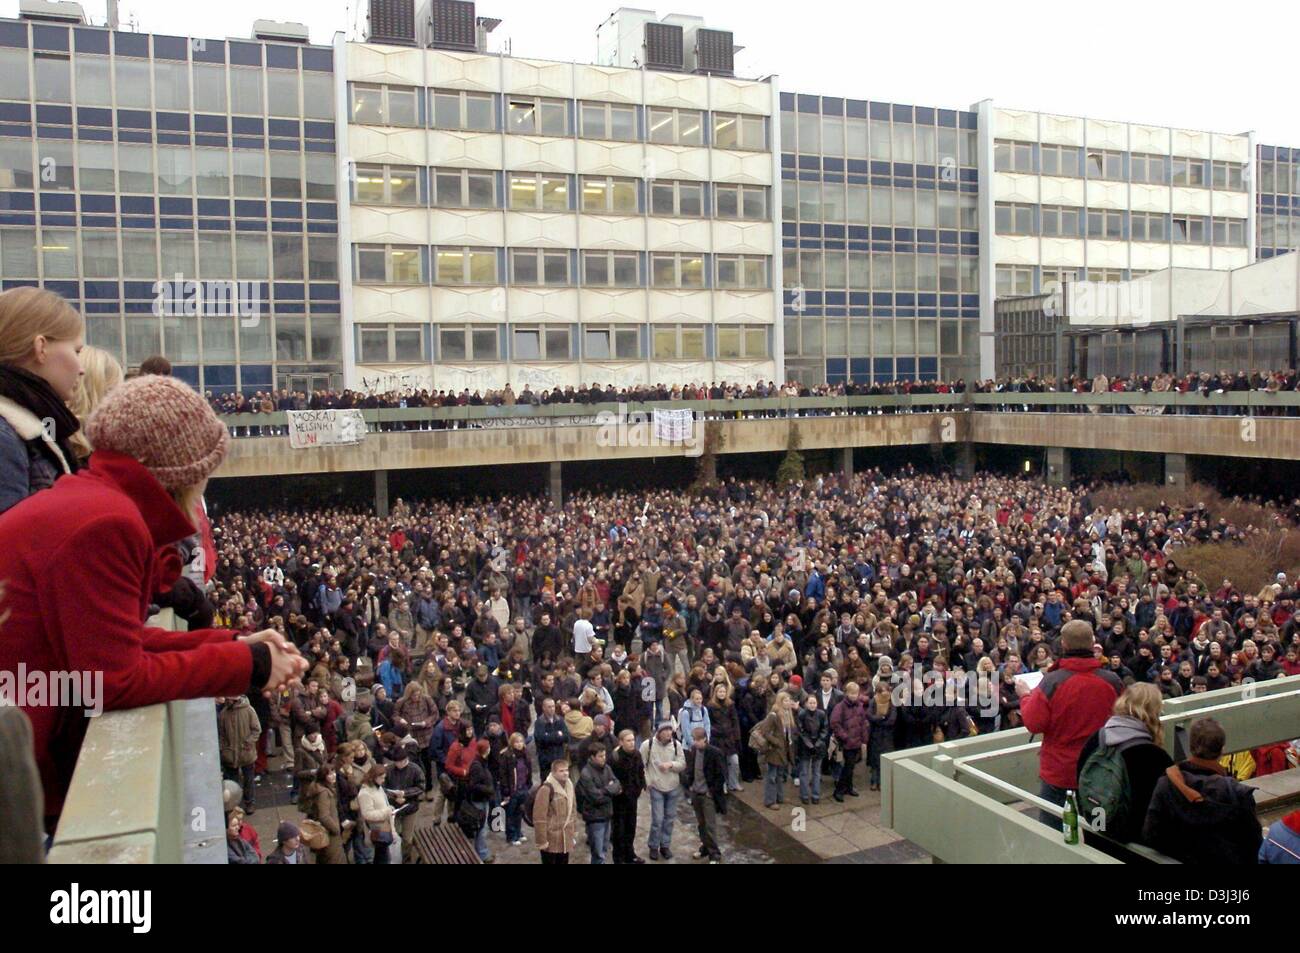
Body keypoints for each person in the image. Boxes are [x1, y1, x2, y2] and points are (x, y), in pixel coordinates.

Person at [0, 373, 307, 827]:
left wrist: (238, 646)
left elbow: (124, 643)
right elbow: (115, 679)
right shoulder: (108, 522)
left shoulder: (94, 502)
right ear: (175, 470)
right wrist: (251, 665)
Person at [1018, 619, 1123, 826]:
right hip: (1100, 770)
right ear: (1092, 644)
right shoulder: (1112, 681)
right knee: (1098, 833)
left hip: (1060, 773)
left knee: (1055, 835)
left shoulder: (1052, 682)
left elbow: (1033, 723)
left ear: (1064, 645)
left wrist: (1024, 697)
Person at [0, 287, 84, 515]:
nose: (81, 368)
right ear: (41, 348)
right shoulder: (6, 436)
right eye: (76, 351)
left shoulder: (28, 424)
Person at [1142, 717, 1263, 864]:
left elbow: (1152, 835)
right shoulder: (1238, 794)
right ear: (1221, 750)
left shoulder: (1166, 784)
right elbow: (1253, 846)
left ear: (1191, 746)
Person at [1075, 682, 1173, 845]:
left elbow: (1082, 781)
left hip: (1096, 835)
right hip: (1132, 846)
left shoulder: (1097, 739)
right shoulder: (1153, 756)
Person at [641, 720, 686, 860]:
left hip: (673, 786)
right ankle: (653, 846)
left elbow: (682, 764)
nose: (668, 733)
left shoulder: (676, 745)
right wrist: (648, 782)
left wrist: (671, 764)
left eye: (670, 730)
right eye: (665, 730)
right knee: (658, 819)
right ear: (659, 732)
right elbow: (641, 766)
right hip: (656, 787)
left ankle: (665, 845)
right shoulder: (647, 745)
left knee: (670, 819)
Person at [682, 725, 727, 863]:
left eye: (697, 740)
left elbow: (721, 775)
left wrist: (711, 792)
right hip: (696, 792)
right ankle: (705, 847)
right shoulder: (694, 751)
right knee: (701, 824)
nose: (695, 743)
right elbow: (692, 770)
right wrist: (689, 787)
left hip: (707, 795)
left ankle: (715, 854)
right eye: (694, 740)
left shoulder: (714, 753)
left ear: (705, 739)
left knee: (710, 825)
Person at [576, 744, 621, 864]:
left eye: (604, 755)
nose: (604, 758)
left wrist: (604, 791)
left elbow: (617, 784)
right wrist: (610, 790)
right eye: (600, 756)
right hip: (594, 817)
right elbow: (595, 797)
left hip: (607, 814)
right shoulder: (586, 773)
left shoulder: (607, 768)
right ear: (592, 757)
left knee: (604, 849)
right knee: (598, 853)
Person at [217, 695, 261, 814]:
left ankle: (250, 802)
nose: (226, 700)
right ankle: (235, 804)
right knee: (233, 782)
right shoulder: (223, 714)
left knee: (249, 780)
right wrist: (223, 748)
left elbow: (256, 730)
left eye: (229, 699)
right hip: (230, 754)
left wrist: (248, 742)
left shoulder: (249, 710)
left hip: (246, 753)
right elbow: (221, 734)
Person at [609, 729, 647, 864]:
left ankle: (630, 855)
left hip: (632, 798)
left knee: (631, 828)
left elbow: (640, 771)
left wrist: (641, 785)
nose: (632, 743)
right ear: (621, 742)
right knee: (619, 830)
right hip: (619, 800)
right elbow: (610, 778)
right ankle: (618, 858)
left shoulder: (637, 754)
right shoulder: (615, 758)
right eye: (628, 741)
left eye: (633, 740)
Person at [755, 690, 795, 808]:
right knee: (771, 776)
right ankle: (770, 801)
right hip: (774, 750)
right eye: (785, 701)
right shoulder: (774, 715)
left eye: (789, 700)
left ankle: (779, 797)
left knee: (780, 775)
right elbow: (764, 731)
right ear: (780, 702)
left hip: (783, 750)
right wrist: (776, 741)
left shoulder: (788, 714)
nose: (788, 703)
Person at [829, 681, 869, 802]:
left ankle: (849, 787)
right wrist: (845, 737)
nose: (853, 695)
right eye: (851, 693)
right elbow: (835, 723)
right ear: (847, 693)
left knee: (851, 766)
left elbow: (863, 724)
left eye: (855, 693)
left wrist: (864, 740)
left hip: (856, 741)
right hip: (846, 742)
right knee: (848, 767)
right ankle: (839, 791)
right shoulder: (840, 707)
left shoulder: (859, 706)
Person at [534, 759, 577, 864]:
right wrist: (542, 841)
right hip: (551, 838)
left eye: (566, 770)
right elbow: (539, 817)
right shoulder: (546, 789)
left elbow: (573, 811)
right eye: (561, 771)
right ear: (553, 773)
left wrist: (573, 832)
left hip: (565, 836)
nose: (565, 773)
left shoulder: (569, 786)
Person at [462, 738, 496, 863]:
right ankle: (482, 855)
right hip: (479, 801)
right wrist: (488, 789)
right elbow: (473, 785)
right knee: (481, 828)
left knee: (480, 828)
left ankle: (479, 853)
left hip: (481, 799)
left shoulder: (481, 762)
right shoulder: (477, 765)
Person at [358, 762, 397, 864]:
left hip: (383, 827)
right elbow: (367, 814)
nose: (383, 781)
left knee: (383, 857)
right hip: (377, 831)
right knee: (382, 858)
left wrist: (389, 809)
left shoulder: (378, 788)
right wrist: (386, 812)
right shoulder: (365, 793)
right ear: (374, 777)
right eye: (382, 778)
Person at [498, 731, 532, 847]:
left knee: (520, 812)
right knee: (511, 813)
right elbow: (503, 775)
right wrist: (506, 790)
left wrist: (529, 783)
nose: (519, 744)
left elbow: (528, 770)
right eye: (516, 742)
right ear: (512, 743)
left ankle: (519, 832)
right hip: (512, 790)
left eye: (521, 741)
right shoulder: (507, 756)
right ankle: (511, 836)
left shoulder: (525, 754)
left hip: (523, 787)